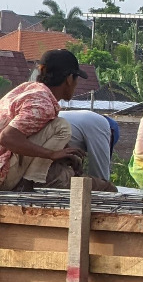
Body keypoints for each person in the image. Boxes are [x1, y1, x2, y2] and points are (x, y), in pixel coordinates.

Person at [0, 50, 84, 192]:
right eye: (76, 79)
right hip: (3, 174)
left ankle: (32, 179)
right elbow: (7, 137)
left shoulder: (28, 89)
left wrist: (61, 152)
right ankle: (32, 182)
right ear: (69, 79)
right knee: (61, 126)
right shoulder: (43, 104)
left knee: (55, 124)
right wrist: (51, 154)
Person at [58, 111, 119, 190]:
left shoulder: (79, 118)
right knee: (107, 188)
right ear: (111, 133)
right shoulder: (100, 124)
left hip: (43, 167)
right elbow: (100, 174)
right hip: (45, 172)